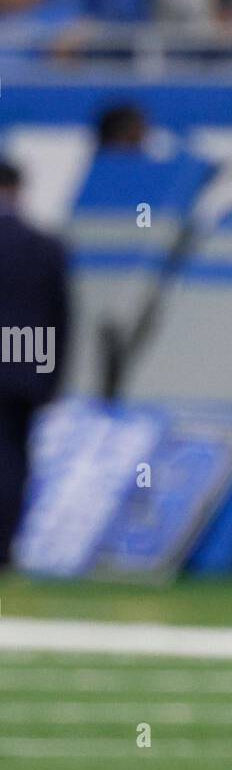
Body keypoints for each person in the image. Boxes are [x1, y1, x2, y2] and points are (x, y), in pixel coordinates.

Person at [0, 158, 69, 564]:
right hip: (23, 362)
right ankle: (4, 546)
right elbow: (59, 316)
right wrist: (48, 376)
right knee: (11, 457)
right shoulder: (44, 244)